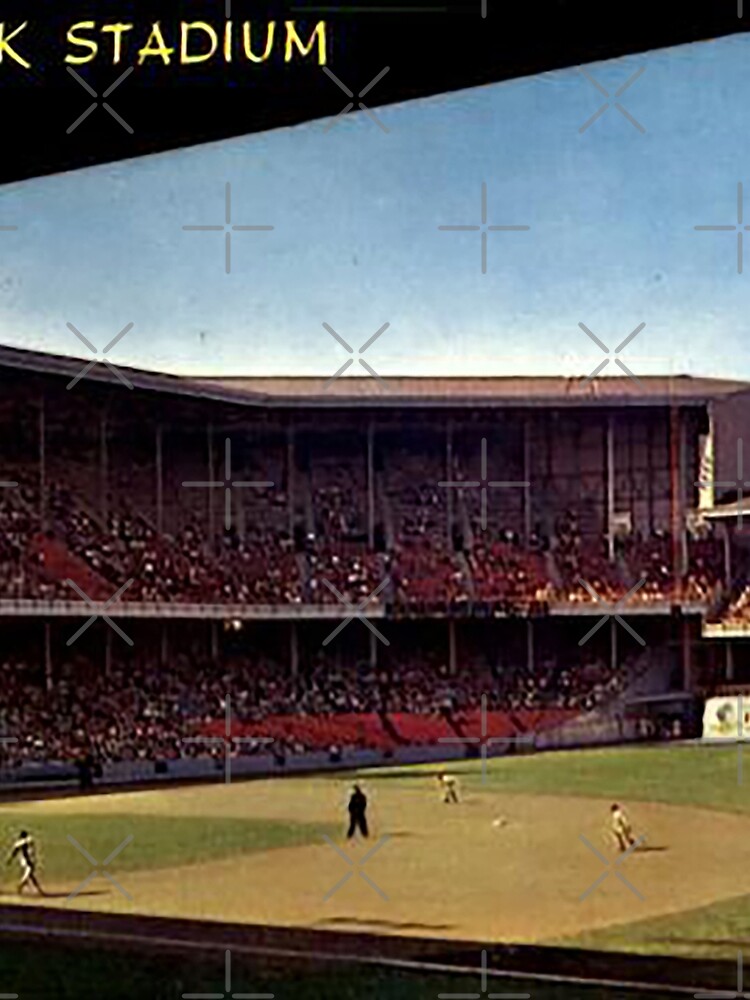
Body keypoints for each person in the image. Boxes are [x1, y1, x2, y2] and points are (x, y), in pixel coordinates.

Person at [7, 830, 44, 896]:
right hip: (27, 860)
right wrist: (10, 859)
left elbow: (15, 850)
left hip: (26, 860)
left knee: (31, 876)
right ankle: (21, 885)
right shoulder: (26, 841)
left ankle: (38, 889)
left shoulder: (24, 841)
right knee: (29, 873)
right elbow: (18, 849)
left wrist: (10, 859)